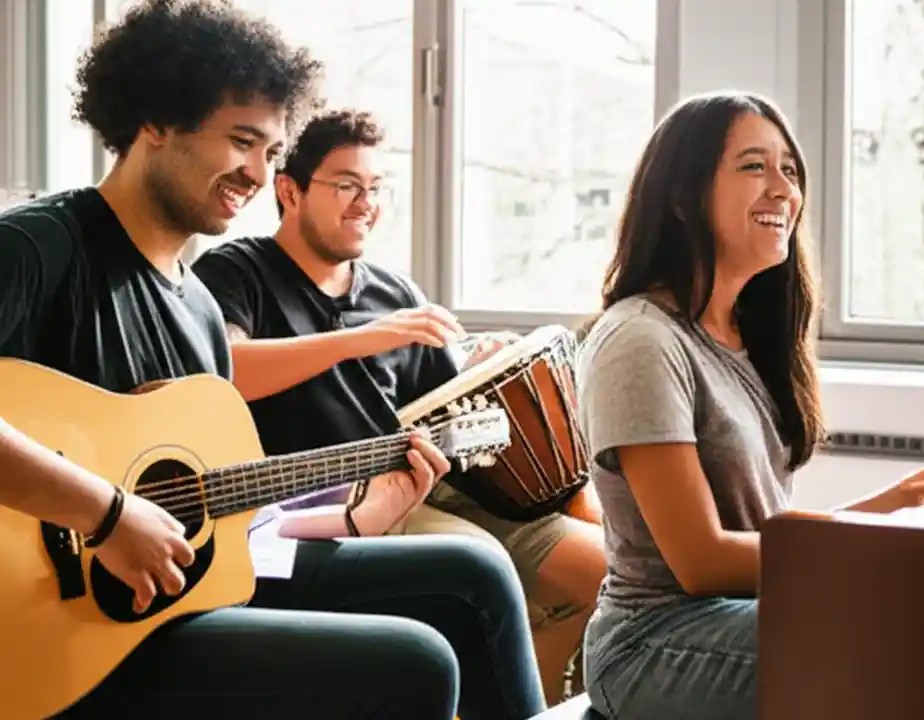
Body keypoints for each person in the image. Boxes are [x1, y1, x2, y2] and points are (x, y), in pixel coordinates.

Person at [0, 2, 544, 718]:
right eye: (241, 141)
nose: (258, 173)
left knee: (471, 568)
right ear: (156, 121)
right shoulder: (38, 249)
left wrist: (355, 518)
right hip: (44, 626)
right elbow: (121, 514)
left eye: (271, 150)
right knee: (413, 662)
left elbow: (217, 516)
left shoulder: (196, 311)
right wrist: (106, 515)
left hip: (168, 597)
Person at [573, 90, 924, 720]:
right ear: (682, 197)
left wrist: (881, 515)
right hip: (652, 642)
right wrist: (870, 549)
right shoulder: (639, 340)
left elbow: (760, 530)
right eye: (753, 166)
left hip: (737, 616)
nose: (783, 188)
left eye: (790, 169)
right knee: (910, 645)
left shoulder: (745, 336)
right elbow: (702, 561)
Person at [190, 107, 607, 705]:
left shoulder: (394, 292)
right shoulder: (237, 270)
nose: (366, 203)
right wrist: (370, 337)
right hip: (315, 511)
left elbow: (439, 404)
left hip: (421, 488)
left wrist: (477, 365)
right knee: (480, 565)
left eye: (376, 188)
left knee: (611, 576)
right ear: (289, 190)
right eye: (346, 185)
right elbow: (226, 373)